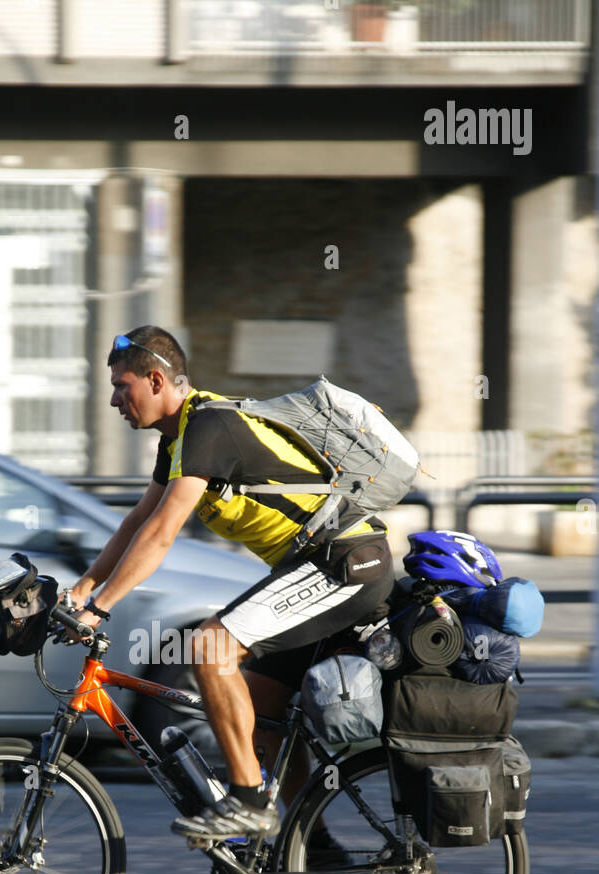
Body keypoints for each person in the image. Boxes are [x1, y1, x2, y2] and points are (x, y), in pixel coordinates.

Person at [65, 326, 395, 842]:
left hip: (346, 562)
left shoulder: (209, 426)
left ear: (156, 380)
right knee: (260, 705)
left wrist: (102, 607)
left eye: (121, 385)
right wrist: (83, 588)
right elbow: (136, 523)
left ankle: (247, 802)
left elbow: (161, 533)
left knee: (210, 646)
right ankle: (313, 846)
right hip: (313, 567)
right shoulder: (177, 439)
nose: (113, 400)